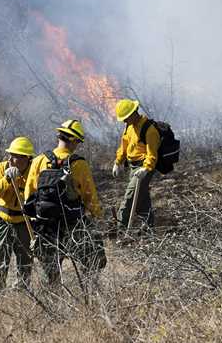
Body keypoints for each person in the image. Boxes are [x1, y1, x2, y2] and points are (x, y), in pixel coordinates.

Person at [23, 118, 105, 286]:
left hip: (46, 225)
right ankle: (90, 297)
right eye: (78, 142)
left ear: (59, 136)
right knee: (93, 261)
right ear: (74, 140)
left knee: (51, 272)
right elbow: (89, 195)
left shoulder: (39, 160)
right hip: (73, 223)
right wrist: (98, 217)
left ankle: (52, 303)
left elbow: (29, 194)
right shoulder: (79, 164)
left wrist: (34, 220)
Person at [0, 136, 35, 289]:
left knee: (25, 261)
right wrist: (7, 179)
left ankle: (22, 292)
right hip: (3, 222)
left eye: (18, 157)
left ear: (27, 158)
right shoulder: (1, 168)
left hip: (24, 223)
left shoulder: (33, 172)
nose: (13, 160)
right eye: (11, 155)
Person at [113, 98, 160, 234]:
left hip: (143, 168)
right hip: (132, 167)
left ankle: (120, 232)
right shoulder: (129, 126)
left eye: (125, 118)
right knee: (142, 199)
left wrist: (146, 168)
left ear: (134, 113)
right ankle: (149, 230)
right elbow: (124, 146)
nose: (124, 121)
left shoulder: (149, 130)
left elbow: (152, 154)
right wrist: (117, 162)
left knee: (129, 198)